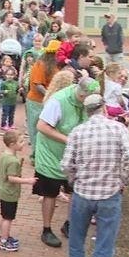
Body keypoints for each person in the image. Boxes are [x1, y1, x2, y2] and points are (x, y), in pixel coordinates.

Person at [62, 94, 129, 257]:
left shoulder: (77, 132)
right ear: (104, 107)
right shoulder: (118, 129)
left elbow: (66, 164)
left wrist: (75, 181)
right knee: (105, 243)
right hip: (110, 193)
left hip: (83, 193)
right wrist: (123, 180)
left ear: (86, 111)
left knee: (77, 240)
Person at [33, 77, 100, 248]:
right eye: (87, 99)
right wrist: (68, 139)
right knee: (50, 192)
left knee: (74, 191)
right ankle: (46, 229)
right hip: (51, 152)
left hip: (74, 155)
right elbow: (42, 126)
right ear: (81, 94)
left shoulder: (92, 102)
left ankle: (69, 224)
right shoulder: (58, 101)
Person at [0, 130, 37, 251]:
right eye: (21, 141)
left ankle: (4, 235)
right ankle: (3, 241)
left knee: (4, 216)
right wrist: (28, 181)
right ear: (12, 144)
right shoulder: (13, 161)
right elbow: (11, 178)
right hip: (9, 192)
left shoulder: (5, 155)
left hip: (3, 190)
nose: (24, 143)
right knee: (8, 218)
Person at [26, 41, 60, 148]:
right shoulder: (40, 64)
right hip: (36, 102)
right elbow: (38, 84)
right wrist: (50, 95)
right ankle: (35, 154)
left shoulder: (56, 65)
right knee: (36, 129)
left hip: (49, 102)